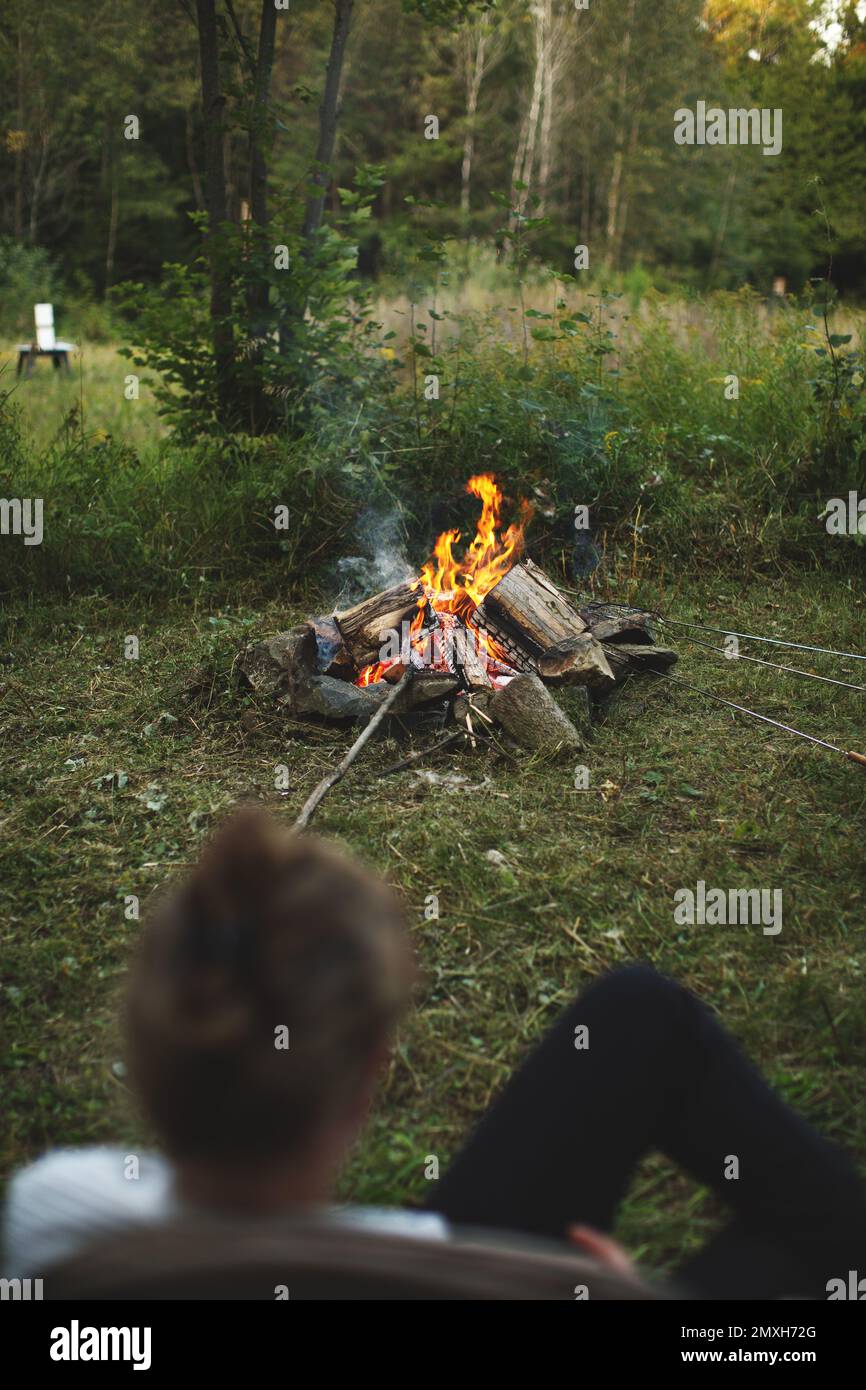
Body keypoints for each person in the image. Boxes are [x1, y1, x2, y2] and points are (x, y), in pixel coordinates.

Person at [4, 808, 864, 1299]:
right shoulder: (512, 1279)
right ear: (371, 1074)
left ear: (146, 1045)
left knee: (635, 1012)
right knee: (817, 1238)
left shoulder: (51, 1221)